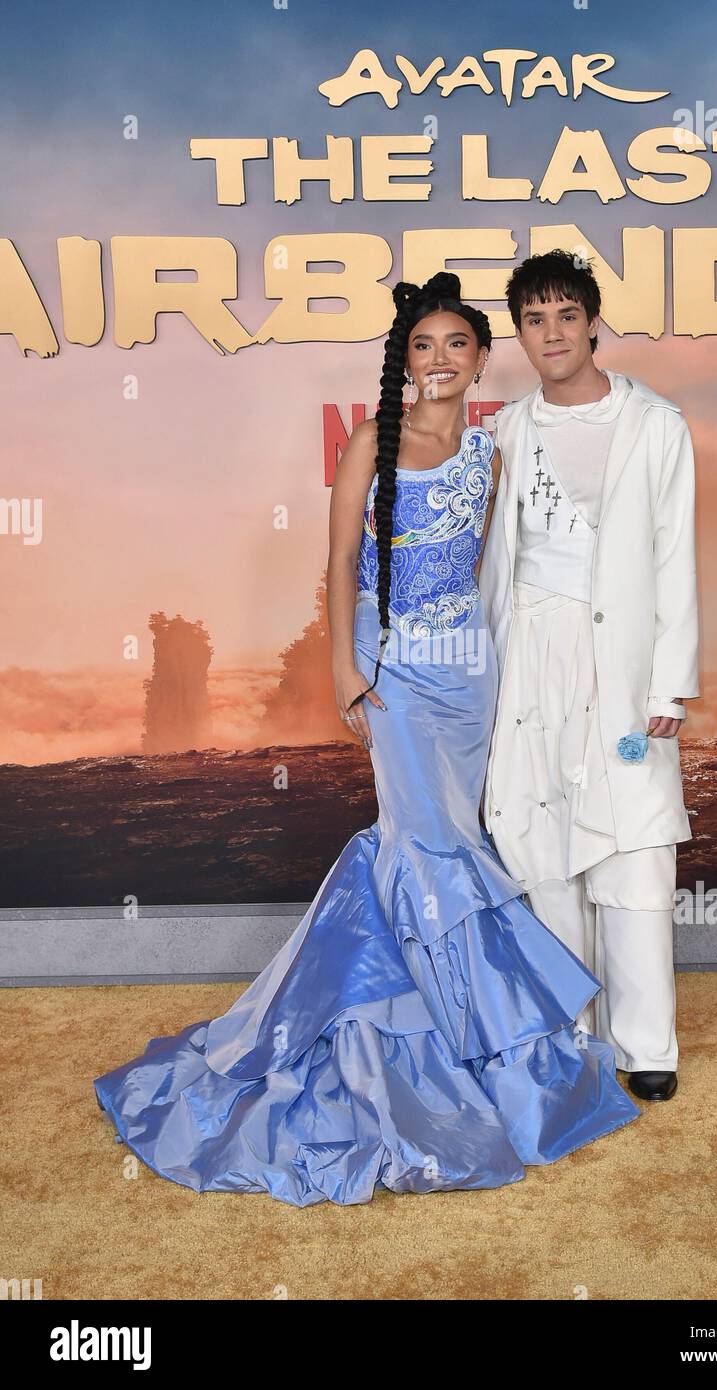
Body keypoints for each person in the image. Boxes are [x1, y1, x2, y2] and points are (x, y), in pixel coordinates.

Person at [93, 272, 640, 1209]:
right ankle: (430, 1060)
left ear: (478, 359)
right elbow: (342, 560)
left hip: (473, 679)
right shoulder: (370, 444)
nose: (438, 360)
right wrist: (349, 670)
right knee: (428, 850)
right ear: (405, 359)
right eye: (422, 346)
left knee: (451, 847)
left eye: (456, 346)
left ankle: (453, 1038)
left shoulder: (489, 452)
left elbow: (506, 566)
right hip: (397, 675)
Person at [478, 250, 701, 1103]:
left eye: (564, 315)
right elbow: (494, 564)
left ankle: (646, 1046)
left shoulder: (656, 424)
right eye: (533, 320)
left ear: (592, 320)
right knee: (540, 840)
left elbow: (674, 556)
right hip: (528, 651)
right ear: (520, 335)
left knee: (635, 843)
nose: (550, 333)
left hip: (622, 661)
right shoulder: (505, 431)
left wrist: (668, 684)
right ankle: (566, 1031)